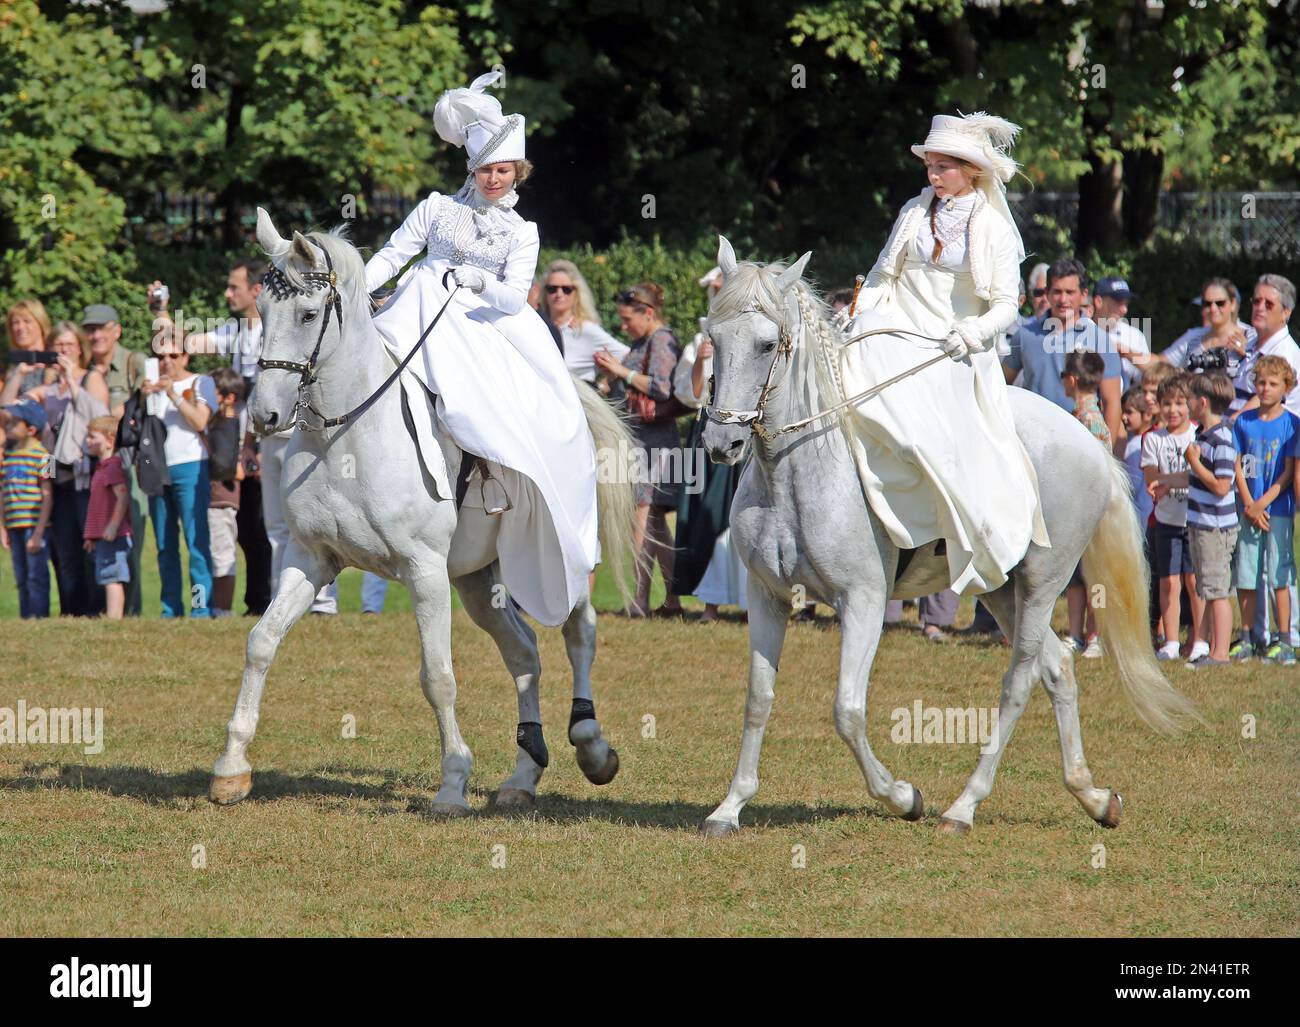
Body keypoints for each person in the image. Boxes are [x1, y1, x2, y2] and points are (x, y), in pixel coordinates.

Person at [362, 70, 599, 625]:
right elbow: (394, 255)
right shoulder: (435, 208)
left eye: (504, 170)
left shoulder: (522, 231)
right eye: (486, 169)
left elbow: (516, 296)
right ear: (470, 169)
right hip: (418, 307)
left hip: (484, 321)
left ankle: (491, 476)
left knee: (487, 404)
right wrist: (357, 286)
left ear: (517, 171)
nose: (495, 178)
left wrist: (478, 283)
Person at [841, 111, 1049, 597]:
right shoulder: (913, 212)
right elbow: (879, 277)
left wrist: (974, 332)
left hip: (952, 344)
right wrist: (858, 314)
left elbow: (1005, 307)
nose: (933, 176)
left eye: (943, 168)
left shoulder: (994, 227)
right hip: (892, 327)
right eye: (929, 167)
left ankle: (937, 518)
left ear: (971, 170)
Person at [148, 260, 275, 615]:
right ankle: (253, 606)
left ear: (257, 290)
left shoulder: (279, 330)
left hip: (275, 441)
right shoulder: (233, 333)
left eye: (234, 287)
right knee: (247, 531)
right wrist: (160, 310)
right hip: (237, 445)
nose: (227, 293)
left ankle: (283, 604)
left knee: (270, 528)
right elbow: (179, 343)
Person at [7, 321, 110, 617]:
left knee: (90, 546)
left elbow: (100, 418)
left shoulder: (91, 379)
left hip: (84, 475)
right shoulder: (48, 389)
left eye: (68, 345)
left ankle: (96, 611)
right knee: (65, 552)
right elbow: (10, 411)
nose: (63, 350)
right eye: (58, 345)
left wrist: (72, 383)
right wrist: (18, 375)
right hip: (55, 472)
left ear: (80, 348)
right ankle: (71, 612)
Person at [594, 283, 684, 616]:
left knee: (642, 521)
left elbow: (661, 388)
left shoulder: (660, 340)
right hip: (645, 441)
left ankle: (639, 601)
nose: (623, 326)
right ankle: (671, 601)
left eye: (627, 319)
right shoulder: (645, 340)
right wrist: (613, 378)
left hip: (653, 443)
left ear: (648, 313)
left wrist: (618, 370)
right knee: (655, 524)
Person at [669, 268, 750, 623]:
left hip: (744, 433)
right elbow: (690, 395)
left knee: (744, 517)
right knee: (704, 519)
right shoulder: (700, 339)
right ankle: (710, 605)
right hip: (707, 433)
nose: (717, 292)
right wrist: (702, 360)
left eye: (722, 287)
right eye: (715, 288)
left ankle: (755, 602)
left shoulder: (750, 333)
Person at [140, 322, 216, 618]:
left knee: (196, 541)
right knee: (164, 544)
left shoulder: (201, 382)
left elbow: (200, 422)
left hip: (191, 466)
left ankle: (200, 607)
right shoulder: (151, 386)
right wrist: (144, 396)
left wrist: (171, 393)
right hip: (157, 469)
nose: (166, 362)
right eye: (161, 356)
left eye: (173, 355)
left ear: (186, 357)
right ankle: (170, 609)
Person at [1004, 257, 1123, 447]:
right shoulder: (1025, 335)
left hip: (1082, 445)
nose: (1063, 299)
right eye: (1057, 292)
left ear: (1084, 294)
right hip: (1033, 443)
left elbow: (1112, 402)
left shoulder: (1100, 340)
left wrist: (1106, 456)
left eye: (1070, 292)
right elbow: (1002, 385)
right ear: (1048, 294)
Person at [82, 303, 148, 616]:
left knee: (127, 543)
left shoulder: (135, 363)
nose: (94, 335)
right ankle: (89, 611)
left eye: (100, 328)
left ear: (116, 330)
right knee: (85, 546)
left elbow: (138, 414)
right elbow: (53, 431)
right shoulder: (81, 370)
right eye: (89, 329)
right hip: (81, 471)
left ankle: (129, 614)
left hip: (127, 467)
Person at [1231, 355, 1299, 664]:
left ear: (1286, 387)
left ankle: (1283, 638)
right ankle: (1248, 636)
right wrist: (1249, 503)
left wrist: (1263, 502)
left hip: (1278, 509)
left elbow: (1288, 472)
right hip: (1248, 509)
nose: (1265, 388)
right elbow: (1238, 464)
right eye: (1261, 382)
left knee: (1279, 573)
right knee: (1246, 572)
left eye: (1273, 384)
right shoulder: (1243, 422)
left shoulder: (1291, 424)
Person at [1142, 372, 1206, 662]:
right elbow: (1152, 480)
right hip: (1166, 522)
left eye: (1180, 402)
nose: (1173, 409)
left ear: (1191, 404)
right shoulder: (1153, 439)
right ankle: (1170, 641)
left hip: (1195, 520)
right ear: (1158, 405)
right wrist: (1174, 480)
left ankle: (1199, 639)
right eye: (1167, 403)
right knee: (1168, 583)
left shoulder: (1199, 435)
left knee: (1195, 583)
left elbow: (1201, 477)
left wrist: (1170, 481)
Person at [1183, 372, 1239, 668]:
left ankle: (1221, 655)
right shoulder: (1201, 437)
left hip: (1215, 529)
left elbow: (1221, 486)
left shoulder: (1223, 440)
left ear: (1202, 403)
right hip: (1201, 525)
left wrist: (1193, 462)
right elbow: (1199, 478)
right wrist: (1168, 480)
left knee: (1217, 592)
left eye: (1190, 398)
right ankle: (1209, 648)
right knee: (1207, 587)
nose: (1187, 403)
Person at [1061, 351, 1110, 656]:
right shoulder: (1077, 416)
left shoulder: (1088, 419)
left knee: (1096, 578)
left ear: (1073, 380)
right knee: (1077, 578)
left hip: (1095, 510)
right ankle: (1076, 633)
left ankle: (1097, 634)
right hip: (1078, 511)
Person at [1160, 278, 1255, 412]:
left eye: (1220, 303)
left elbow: (1266, 382)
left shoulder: (1251, 337)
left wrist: (1247, 354)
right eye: (1207, 303)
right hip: (1200, 420)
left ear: (1233, 304)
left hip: (1237, 419)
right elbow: (1161, 364)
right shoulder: (1194, 340)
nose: (1213, 308)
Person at [541, 258, 629, 388]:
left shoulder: (585, 329)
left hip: (578, 401)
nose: (559, 294)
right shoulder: (538, 327)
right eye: (552, 289)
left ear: (576, 293)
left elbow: (627, 355)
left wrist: (608, 377)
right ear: (545, 292)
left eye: (566, 289)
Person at [1, 400, 53, 618]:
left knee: (36, 576)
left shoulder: (47, 456)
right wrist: (3, 527)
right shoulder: (8, 457)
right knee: (21, 577)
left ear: (31, 429)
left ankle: (39, 618)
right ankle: (25, 618)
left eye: (14, 423)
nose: (8, 426)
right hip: (14, 526)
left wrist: (40, 531)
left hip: (34, 526)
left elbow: (49, 495)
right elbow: (3, 493)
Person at [82, 414, 132, 620]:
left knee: (112, 576)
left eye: (93, 437)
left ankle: (114, 618)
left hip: (115, 535)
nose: (88, 441)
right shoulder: (101, 468)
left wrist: (112, 526)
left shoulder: (112, 467)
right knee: (106, 574)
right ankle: (112, 616)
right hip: (103, 536)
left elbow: (122, 498)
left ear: (110, 441)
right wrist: (92, 536)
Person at [206, 368, 245, 619]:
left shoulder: (230, 425)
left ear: (229, 397)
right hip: (212, 498)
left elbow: (235, 470)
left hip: (221, 498)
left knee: (222, 555)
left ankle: (222, 611)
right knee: (210, 555)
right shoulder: (217, 423)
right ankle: (207, 607)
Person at [1092, 275, 1150, 394]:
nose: (1124, 310)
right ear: (1098, 301)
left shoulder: (1134, 336)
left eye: (1126, 303)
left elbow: (1152, 375)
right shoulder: (1079, 332)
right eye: (1118, 302)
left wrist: (1125, 352)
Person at [2, 300, 53, 397]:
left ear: (41, 324)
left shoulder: (53, 360)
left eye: (27, 321)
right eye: (15, 322)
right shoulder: (13, 367)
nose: (20, 327)